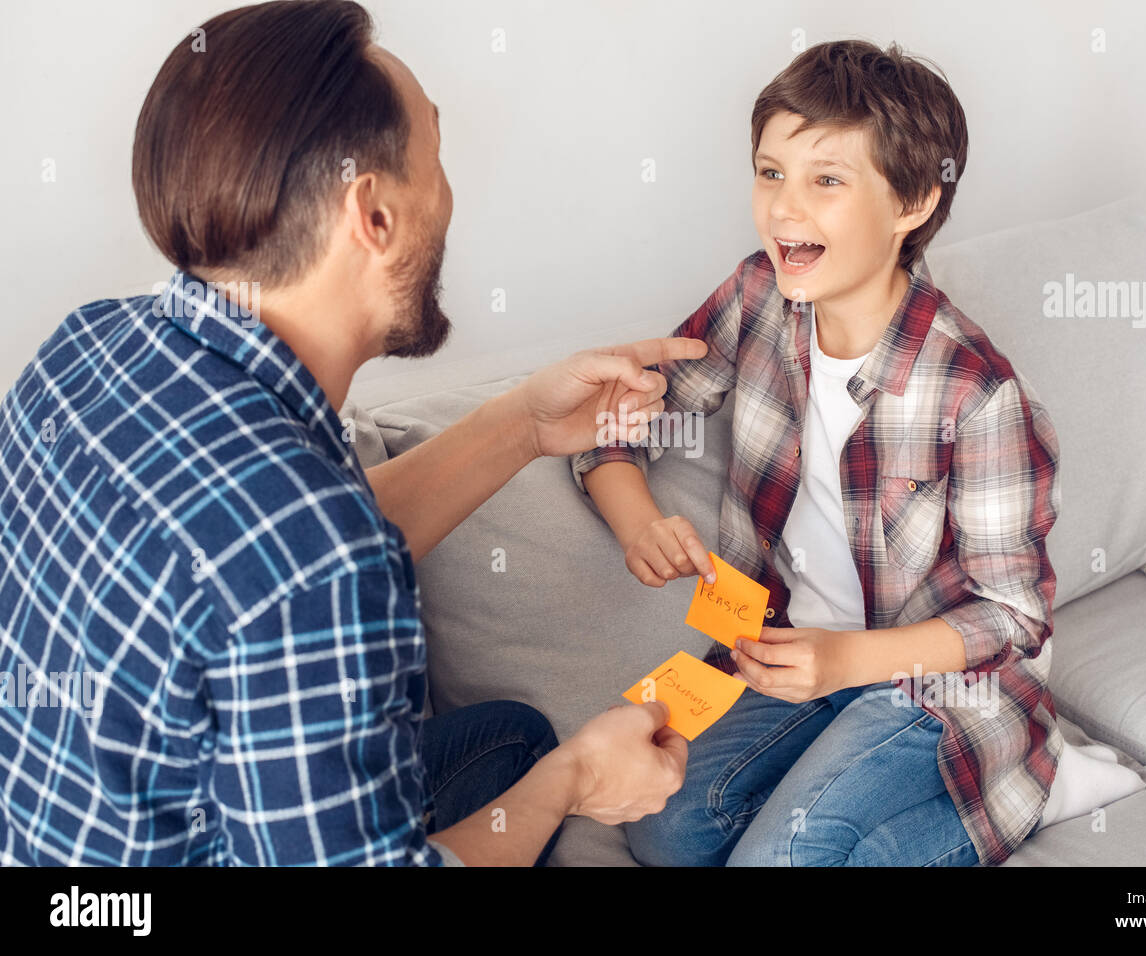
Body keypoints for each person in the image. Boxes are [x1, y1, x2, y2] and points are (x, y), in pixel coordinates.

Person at [0, 0, 698, 867]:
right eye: (435, 158)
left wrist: (523, 422)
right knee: (539, 763)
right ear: (372, 215)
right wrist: (580, 780)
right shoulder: (309, 553)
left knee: (507, 739)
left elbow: (269, 557)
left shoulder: (90, 346)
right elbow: (299, 561)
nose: (448, 196)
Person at [571, 40, 1064, 867]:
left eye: (826, 180)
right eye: (770, 174)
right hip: (779, 647)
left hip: (928, 683)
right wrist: (636, 518)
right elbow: (614, 420)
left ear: (911, 200)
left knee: (784, 858)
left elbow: (1013, 616)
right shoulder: (756, 297)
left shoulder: (976, 393)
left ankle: (1028, 780)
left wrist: (848, 661)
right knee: (661, 827)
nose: (784, 208)